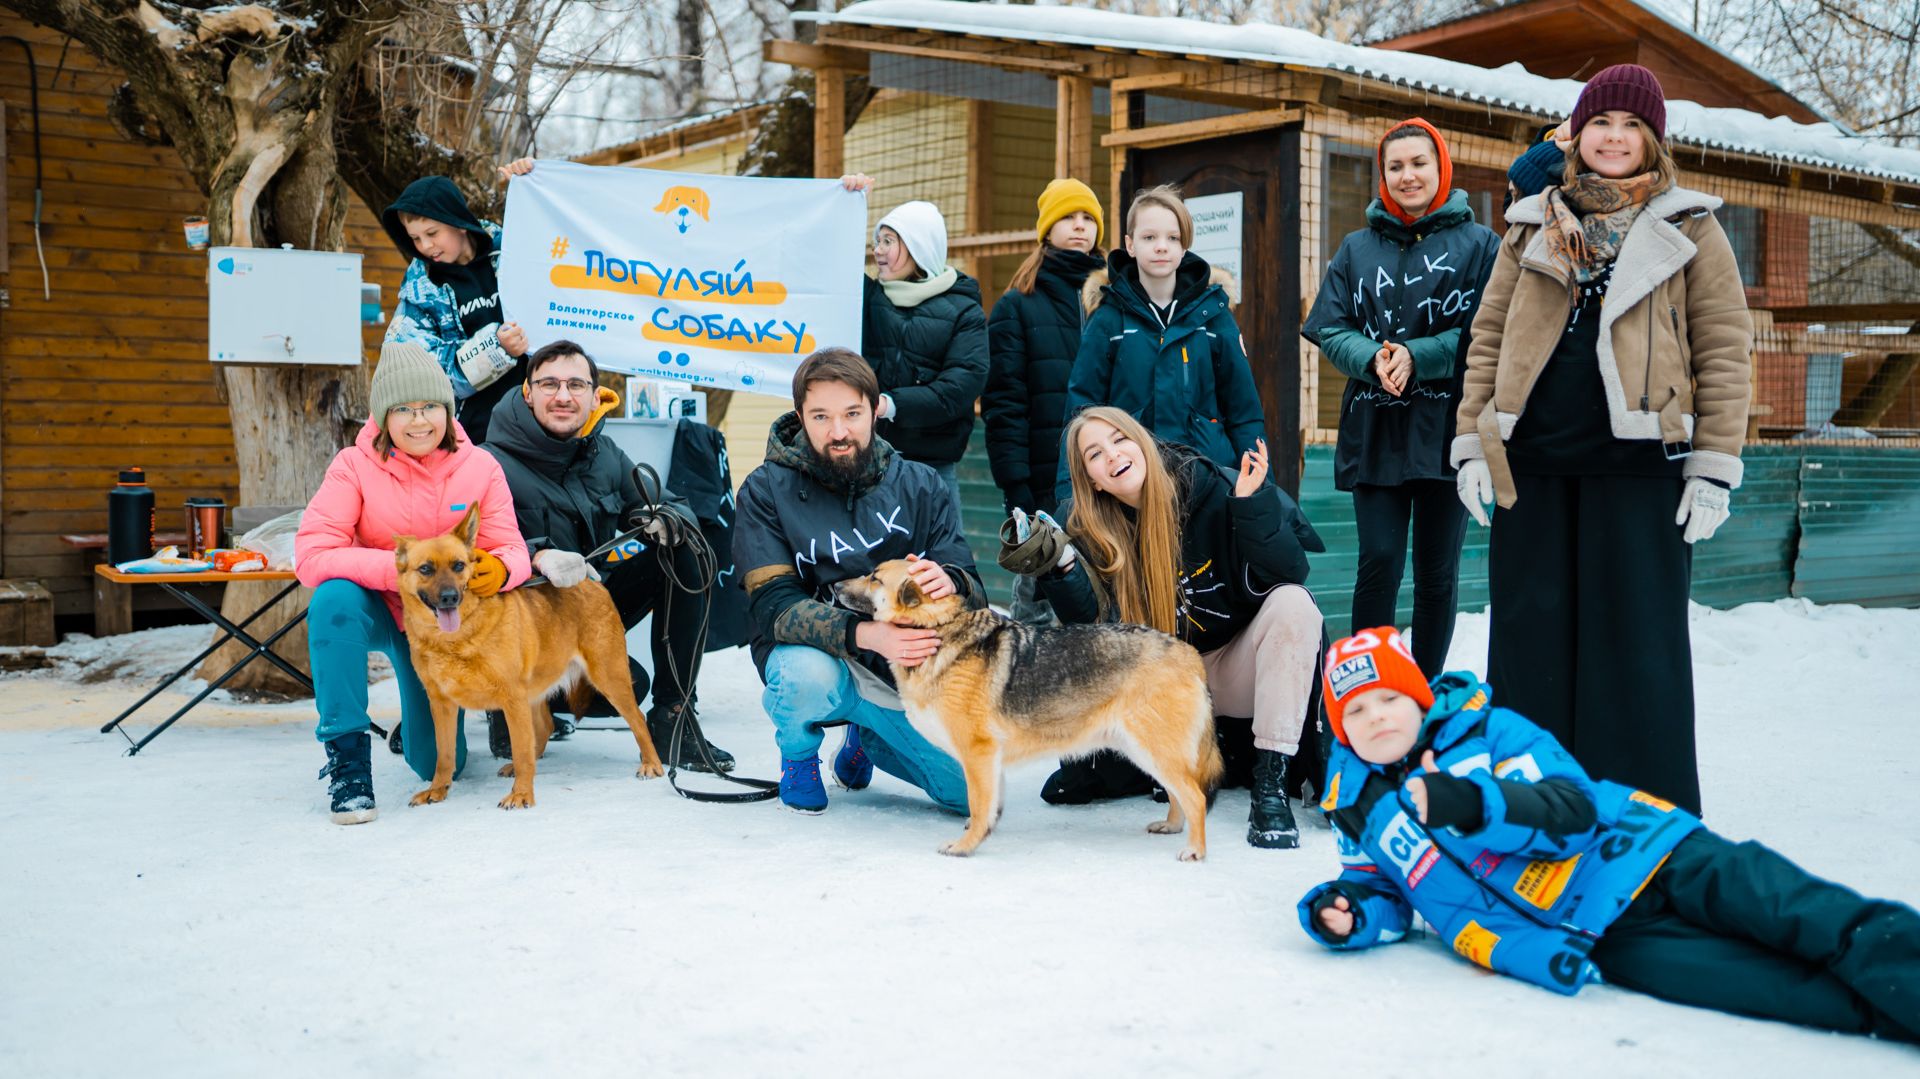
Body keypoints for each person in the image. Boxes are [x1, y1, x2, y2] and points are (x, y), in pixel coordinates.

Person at [1300, 627, 1920, 1042]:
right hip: (1595, 933)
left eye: (1388, 698)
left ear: (1418, 698)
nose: (1376, 715)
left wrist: (1470, 805)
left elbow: (1573, 814)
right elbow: (1381, 887)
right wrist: (1350, 911)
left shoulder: (1488, 732)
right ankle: (1891, 1013)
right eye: (1355, 710)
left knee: (1799, 912)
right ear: (1341, 729)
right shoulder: (1356, 806)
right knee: (1766, 988)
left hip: (1653, 852)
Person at [1452, 65, 1753, 815]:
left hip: (1642, 470)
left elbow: (1723, 345)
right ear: (1576, 136)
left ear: (1651, 140)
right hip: (1534, 465)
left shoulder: (1691, 225)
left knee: (1637, 652)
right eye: (1600, 123)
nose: (1614, 137)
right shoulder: (1528, 221)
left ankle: (1645, 818)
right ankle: (1529, 809)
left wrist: (1714, 467)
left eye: (1630, 126)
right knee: (1530, 650)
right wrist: (1471, 443)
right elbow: (1486, 339)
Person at [1003, 406, 1325, 849]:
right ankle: (1168, 764)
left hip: (1229, 667)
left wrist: (1252, 507)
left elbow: (1292, 569)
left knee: (1294, 604)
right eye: (1095, 454)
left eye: (1119, 440)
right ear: (1092, 478)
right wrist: (1062, 567)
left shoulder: (1210, 486)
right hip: (1161, 687)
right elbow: (1091, 626)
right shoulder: (1088, 527)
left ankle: (1270, 783)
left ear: (1142, 442)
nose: (1112, 455)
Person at [733, 347, 989, 815]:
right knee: (802, 676)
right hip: (815, 658)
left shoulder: (921, 484)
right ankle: (799, 755)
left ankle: (867, 737)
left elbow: (973, 587)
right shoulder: (764, 489)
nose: (838, 431)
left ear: (875, 409)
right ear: (799, 418)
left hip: (900, 672)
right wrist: (865, 633)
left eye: (852, 413)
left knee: (967, 794)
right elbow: (772, 606)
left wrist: (951, 580)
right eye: (821, 416)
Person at [297, 341, 533, 824]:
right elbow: (313, 554)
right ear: (383, 417)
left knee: (441, 766)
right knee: (332, 601)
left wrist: (504, 569)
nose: (419, 420)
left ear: (448, 410)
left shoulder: (481, 467)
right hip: (379, 609)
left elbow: (512, 547)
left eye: (429, 407)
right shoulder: (353, 466)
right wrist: (401, 575)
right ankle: (348, 761)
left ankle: (418, 724)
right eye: (403, 409)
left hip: (447, 629)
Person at [481, 339, 735, 774]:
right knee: (614, 680)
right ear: (527, 392)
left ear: (595, 396)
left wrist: (666, 519)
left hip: (588, 606)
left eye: (576, 384)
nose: (563, 396)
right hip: (524, 625)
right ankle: (513, 704)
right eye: (549, 384)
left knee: (686, 551)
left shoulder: (604, 454)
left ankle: (674, 717)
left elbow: (667, 502)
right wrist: (536, 556)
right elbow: (472, 552)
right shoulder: (489, 461)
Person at [1303, 119, 1499, 678]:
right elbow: (1328, 326)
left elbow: (1492, 330)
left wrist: (1419, 354)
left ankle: (1428, 691)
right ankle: (1371, 689)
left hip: (1450, 429)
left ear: (1441, 168)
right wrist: (1371, 358)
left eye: (1419, 163)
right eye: (1396, 166)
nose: (1408, 175)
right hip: (1377, 429)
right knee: (1380, 563)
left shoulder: (1482, 245)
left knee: (1437, 572)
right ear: (1383, 175)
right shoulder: (1356, 248)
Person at [1058, 184, 1265, 502]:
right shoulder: (1109, 319)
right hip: (1132, 489)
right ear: (1130, 244)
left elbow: (1243, 410)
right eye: (1149, 237)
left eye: (1173, 238)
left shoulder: (1214, 316)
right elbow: (1081, 410)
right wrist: (1069, 496)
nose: (1161, 247)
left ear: (1185, 247)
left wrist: (1262, 492)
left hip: (1208, 482)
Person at [983, 178, 1106, 626]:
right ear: (1046, 229)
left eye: (1089, 218)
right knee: (1038, 612)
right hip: (1041, 486)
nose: (1080, 226)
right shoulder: (1017, 306)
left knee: (1104, 608)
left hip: (1108, 480)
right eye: (1068, 217)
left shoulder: (1115, 300)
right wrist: (1016, 487)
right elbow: (1004, 404)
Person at [839, 175, 989, 514]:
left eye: (888, 241)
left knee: (941, 562)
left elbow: (959, 388)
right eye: (877, 240)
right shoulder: (867, 298)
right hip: (865, 463)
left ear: (918, 246)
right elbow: (829, 260)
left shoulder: (965, 310)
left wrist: (891, 405)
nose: (877, 250)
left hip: (932, 469)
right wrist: (848, 201)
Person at [381, 159, 536, 445]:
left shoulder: (513, 248)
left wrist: (530, 183)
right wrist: (497, 349)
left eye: (432, 233)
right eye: (415, 238)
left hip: (541, 426)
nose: (425, 247)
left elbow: (560, 250)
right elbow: (421, 372)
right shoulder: (421, 290)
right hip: (472, 440)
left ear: (459, 223)